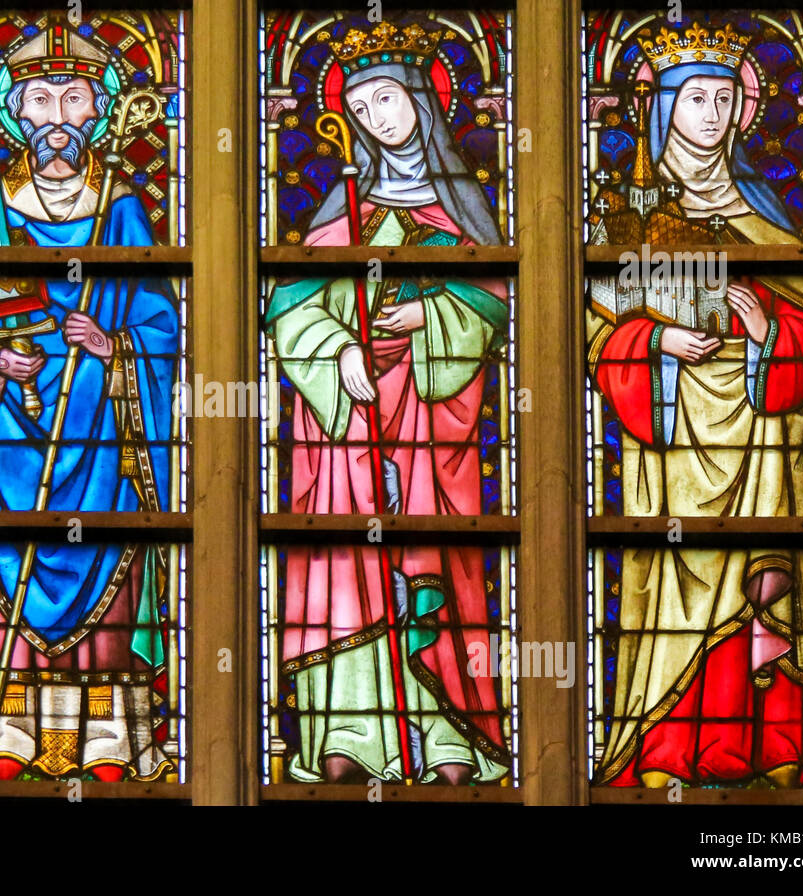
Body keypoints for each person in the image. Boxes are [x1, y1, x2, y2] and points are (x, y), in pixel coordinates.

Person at [265, 22, 511, 784]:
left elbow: (494, 303)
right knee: (348, 555)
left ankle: (445, 733)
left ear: (421, 102)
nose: (378, 117)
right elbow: (291, 309)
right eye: (363, 108)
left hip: (432, 431)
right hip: (347, 430)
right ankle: (346, 731)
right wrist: (338, 349)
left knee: (431, 561)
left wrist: (429, 315)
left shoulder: (465, 212)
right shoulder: (338, 216)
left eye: (388, 99)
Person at [590, 22, 803, 787]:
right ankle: (661, 749)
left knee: (753, 584)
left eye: (726, 99)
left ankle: (762, 752)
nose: (713, 114)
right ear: (661, 107)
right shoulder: (623, 213)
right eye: (695, 97)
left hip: (759, 440)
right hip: (666, 435)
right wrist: (655, 347)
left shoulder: (765, 209)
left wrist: (766, 331)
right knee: (675, 579)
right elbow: (592, 333)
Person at [0, 24, 178, 782]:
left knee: (102, 565)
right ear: (14, 114)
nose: (57, 118)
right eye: (39, 100)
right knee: (3, 567)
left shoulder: (124, 212)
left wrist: (116, 349)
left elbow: (162, 323)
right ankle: (5, 736)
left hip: (100, 431)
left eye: (74, 99)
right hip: (5, 438)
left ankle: (106, 742)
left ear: (98, 113)